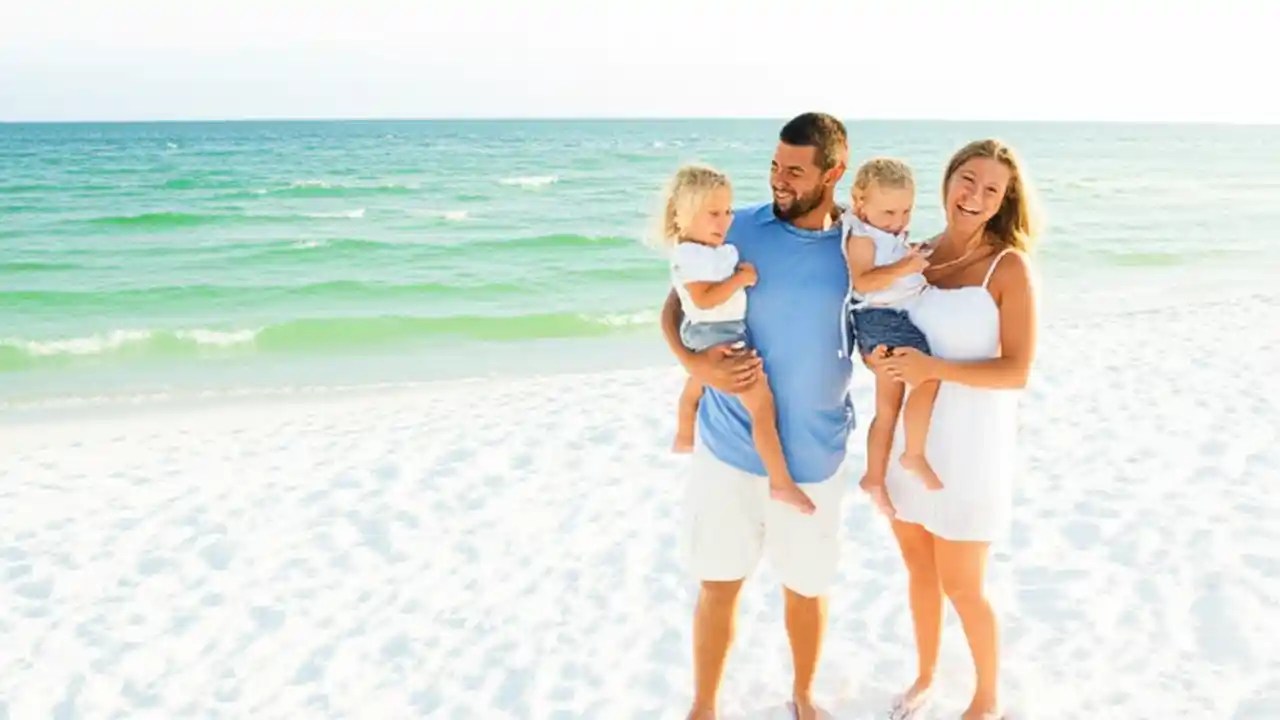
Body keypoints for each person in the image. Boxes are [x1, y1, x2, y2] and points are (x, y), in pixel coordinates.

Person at [660, 112, 853, 720]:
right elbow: (674, 307)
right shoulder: (735, 229)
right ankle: (705, 705)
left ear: (834, 173)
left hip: (817, 452)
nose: (778, 180)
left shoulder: (858, 247)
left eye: (795, 171)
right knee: (718, 583)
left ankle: (803, 696)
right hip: (727, 445)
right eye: (774, 165)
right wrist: (698, 366)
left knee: (807, 586)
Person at [875, 139, 1042, 720]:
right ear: (947, 181)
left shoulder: (1008, 267)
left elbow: (1017, 369)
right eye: (966, 180)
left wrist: (934, 370)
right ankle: (924, 676)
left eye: (990, 189)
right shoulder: (915, 255)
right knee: (919, 569)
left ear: (1002, 202)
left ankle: (986, 698)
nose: (973, 196)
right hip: (908, 444)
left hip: (970, 450)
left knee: (964, 586)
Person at [663, 163, 816, 514]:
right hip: (718, 335)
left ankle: (684, 435)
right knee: (763, 408)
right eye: (713, 213)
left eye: (728, 211)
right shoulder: (691, 254)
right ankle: (780, 482)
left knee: (695, 385)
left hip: (711, 333)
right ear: (683, 217)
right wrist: (740, 280)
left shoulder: (707, 250)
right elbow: (702, 298)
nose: (725, 221)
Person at [838, 158, 943, 510]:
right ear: (860, 202)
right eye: (889, 213)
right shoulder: (863, 237)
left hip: (889, 318)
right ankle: (913, 454)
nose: (898, 222)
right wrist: (906, 266)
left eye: (906, 212)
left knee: (888, 408)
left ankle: (874, 478)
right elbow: (863, 282)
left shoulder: (882, 231)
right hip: (881, 320)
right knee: (928, 379)